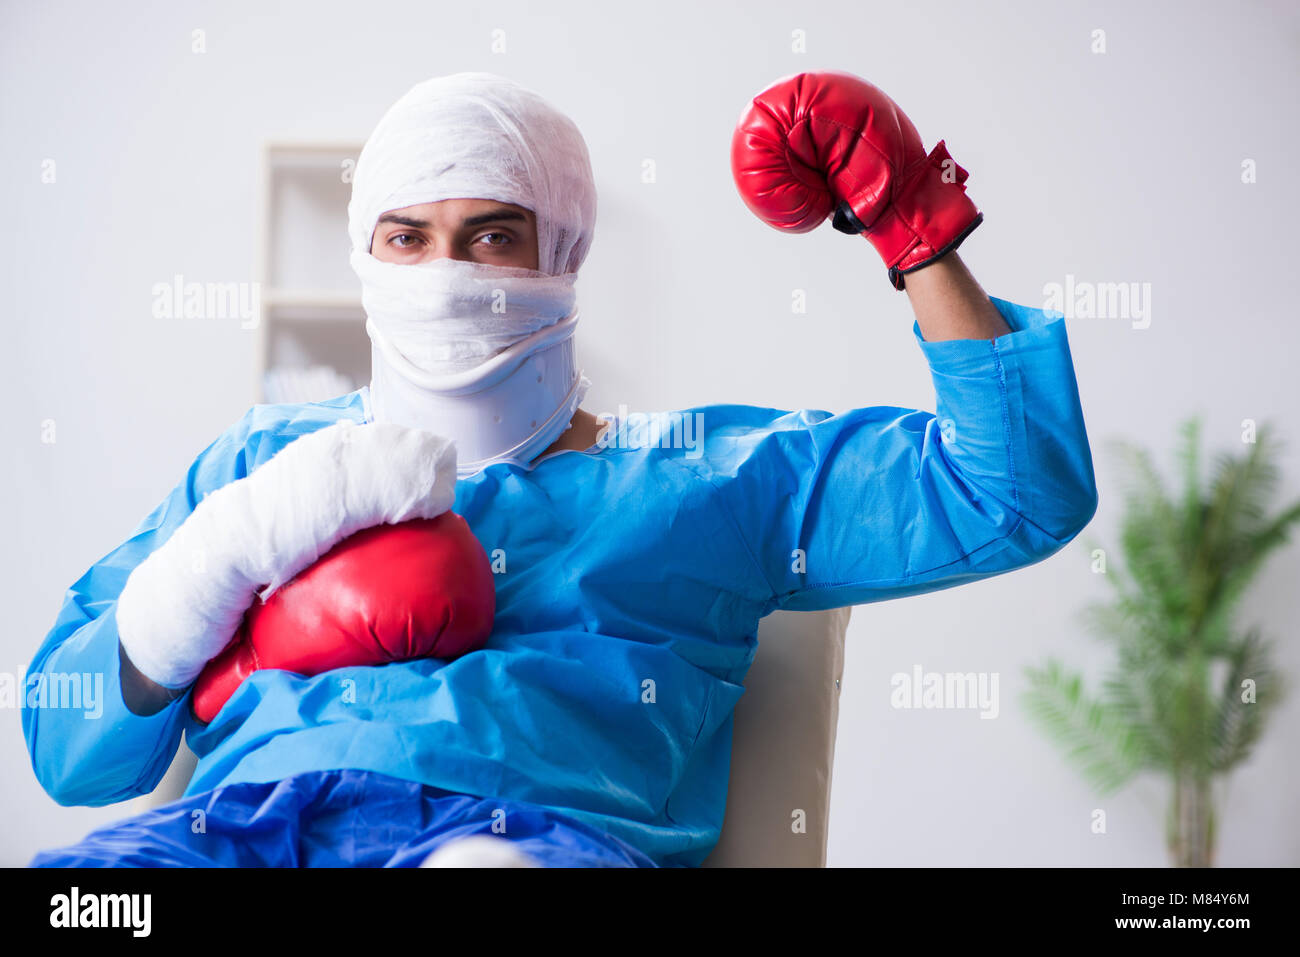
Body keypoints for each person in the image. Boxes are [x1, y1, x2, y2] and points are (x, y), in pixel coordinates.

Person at [23, 71, 1098, 868]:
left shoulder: (708, 479)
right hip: (237, 836)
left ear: (565, 254)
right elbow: (71, 754)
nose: (445, 273)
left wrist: (913, 225)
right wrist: (213, 562)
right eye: (407, 239)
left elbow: (1010, 494)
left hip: (528, 841)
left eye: (491, 238)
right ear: (366, 259)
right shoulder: (263, 469)